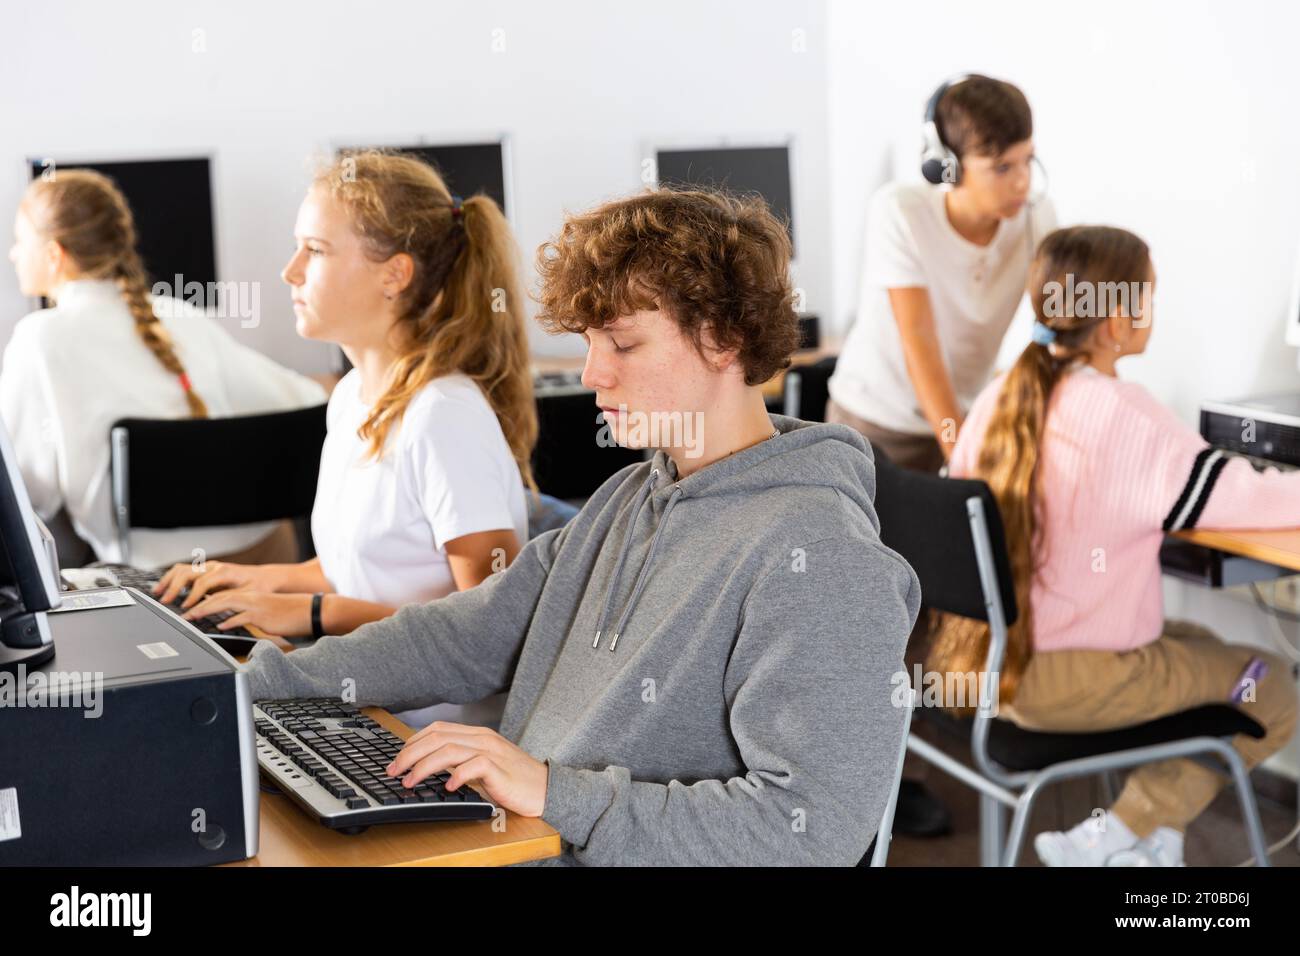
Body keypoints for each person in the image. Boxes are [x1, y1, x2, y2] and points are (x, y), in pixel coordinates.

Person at [241, 187, 920, 865]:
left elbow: (808, 827)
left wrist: (555, 794)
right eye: (591, 343)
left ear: (725, 338)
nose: (594, 374)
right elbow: (466, 634)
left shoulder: (820, 555)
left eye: (623, 343)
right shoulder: (632, 496)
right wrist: (250, 686)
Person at [935, 224, 1299, 866]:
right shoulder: (1125, 414)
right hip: (1071, 682)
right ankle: (1111, 835)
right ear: (1112, 324)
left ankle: (1146, 847)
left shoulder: (1000, 398)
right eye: (1147, 296)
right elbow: (1255, 498)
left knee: (1208, 649)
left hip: (995, 673)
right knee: (1269, 684)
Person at [155, 150, 536, 729]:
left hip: (429, 732)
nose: (290, 271)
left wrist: (311, 613)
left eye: (315, 250)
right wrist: (257, 581)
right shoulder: (354, 394)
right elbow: (362, 570)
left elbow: (491, 638)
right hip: (362, 702)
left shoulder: (443, 416)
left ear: (394, 273)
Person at [2, 169, 326, 569]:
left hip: (160, 584)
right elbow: (307, 403)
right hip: (269, 556)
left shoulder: (38, 338)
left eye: (19, 241)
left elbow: (28, 492)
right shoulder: (179, 314)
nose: (14, 254)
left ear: (54, 254)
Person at [828, 74, 1057, 470]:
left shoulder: (1037, 217)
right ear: (946, 166)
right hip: (876, 427)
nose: (1023, 181)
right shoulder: (900, 212)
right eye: (1002, 167)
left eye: (1027, 160)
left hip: (964, 419)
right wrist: (963, 456)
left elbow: (1060, 320)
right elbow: (921, 343)